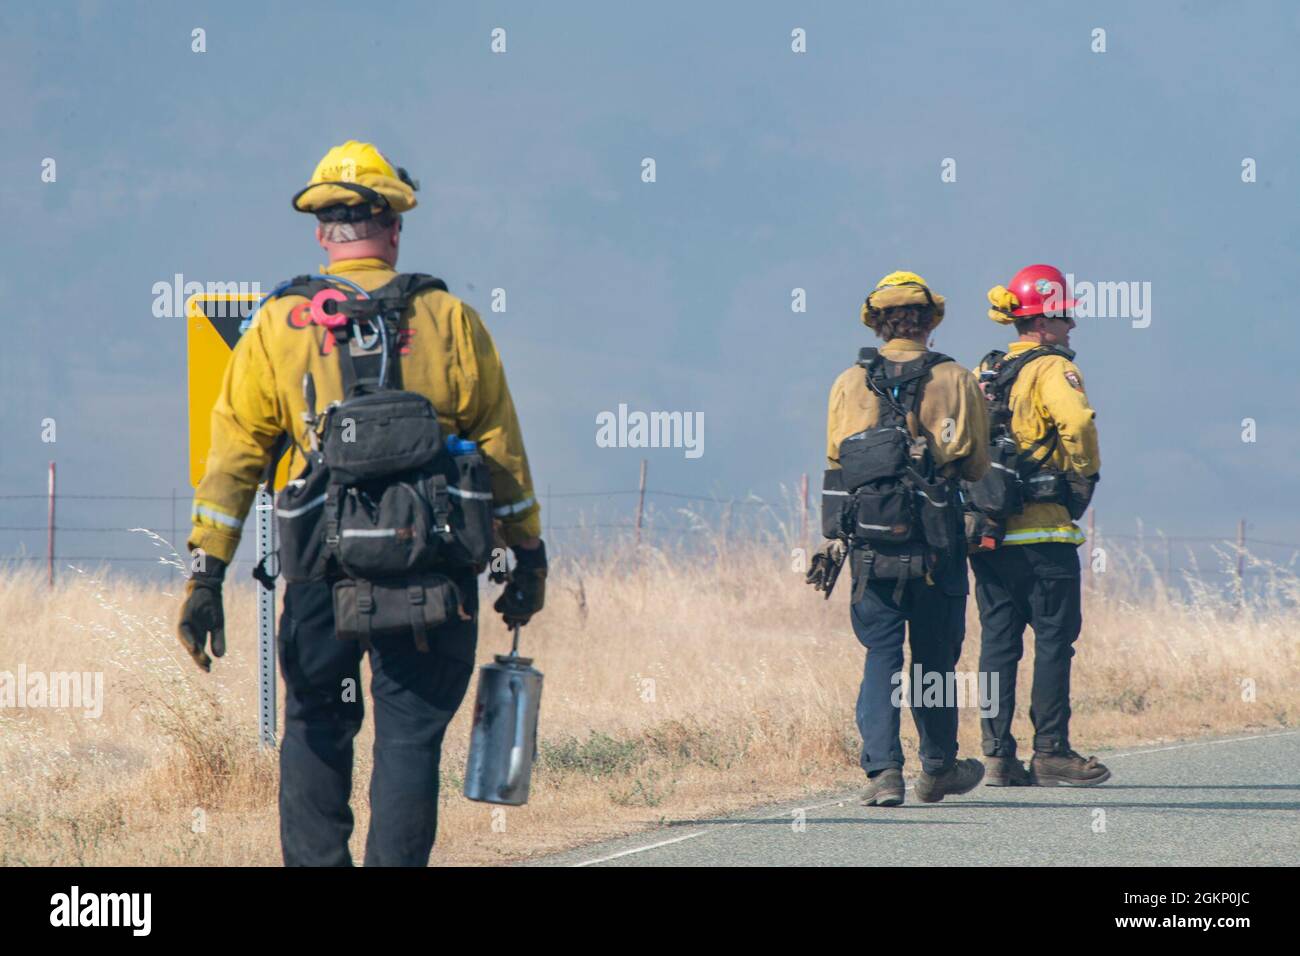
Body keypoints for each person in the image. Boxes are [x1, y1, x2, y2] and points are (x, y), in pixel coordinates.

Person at [177, 140, 547, 864]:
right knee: (409, 736)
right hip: (433, 576)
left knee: (317, 724)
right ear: (395, 228)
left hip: (320, 574)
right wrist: (527, 554)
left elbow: (233, 463)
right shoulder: (450, 318)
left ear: (322, 233)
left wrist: (205, 575)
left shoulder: (279, 326)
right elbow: (502, 452)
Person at [819, 271, 989, 806]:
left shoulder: (848, 382)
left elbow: (834, 463)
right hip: (937, 545)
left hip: (871, 546)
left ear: (877, 322)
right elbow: (978, 463)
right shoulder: (957, 379)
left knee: (881, 654)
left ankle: (883, 773)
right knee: (935, 659)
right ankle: (937, 768)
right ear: (929, 324)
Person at [970, 263, 1109, 787]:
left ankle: (998, 757)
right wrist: (1084, 475)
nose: (1072, 327)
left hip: (988, 532)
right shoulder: (1053, 369)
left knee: (998, 643)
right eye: (1066, 317)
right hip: (1045, 532)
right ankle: (1051, 752)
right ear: (1045, 320)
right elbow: (1076, 422)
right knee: (1054, 639)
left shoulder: (987, 371)